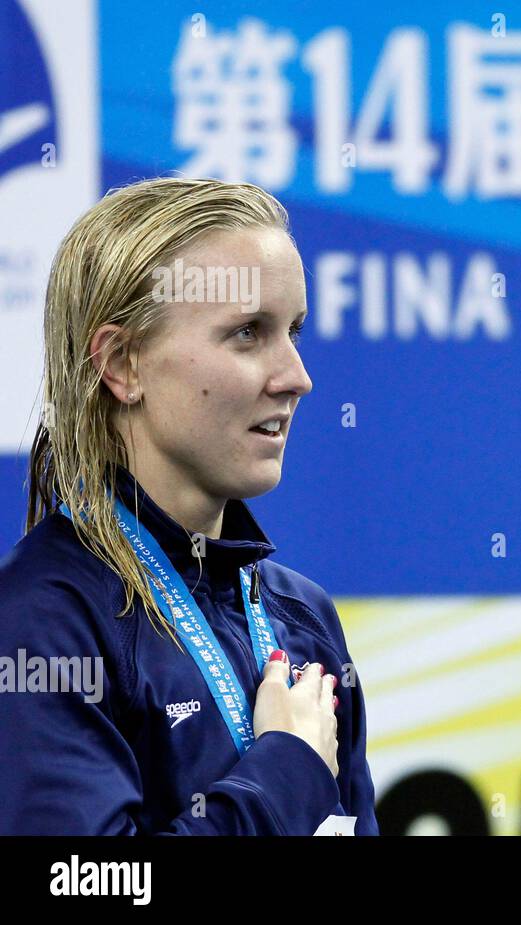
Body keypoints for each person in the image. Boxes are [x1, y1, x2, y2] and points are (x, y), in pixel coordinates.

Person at [0, 176, 378, 834]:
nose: (296, 376)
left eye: (293, 330)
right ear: (123, 364)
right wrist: (283, 772)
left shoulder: (303, 618)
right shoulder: (42, 624)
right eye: (247, 334)